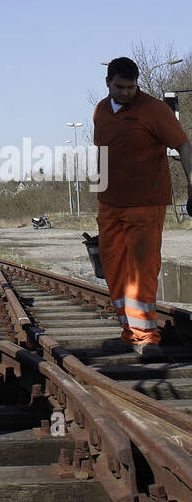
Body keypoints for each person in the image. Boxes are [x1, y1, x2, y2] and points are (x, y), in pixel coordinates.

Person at [93, 56, 192, 359]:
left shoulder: (155, 110)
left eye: (131, 87)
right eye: (119, 87)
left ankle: (147, 336)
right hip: (110, 204)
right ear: (108, 82)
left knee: (141, 270)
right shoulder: (100, 111)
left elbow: (184, 145)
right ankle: (129, 333)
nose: (125, 92)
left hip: (146, 204)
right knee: (113, 270)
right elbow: (103, 154)